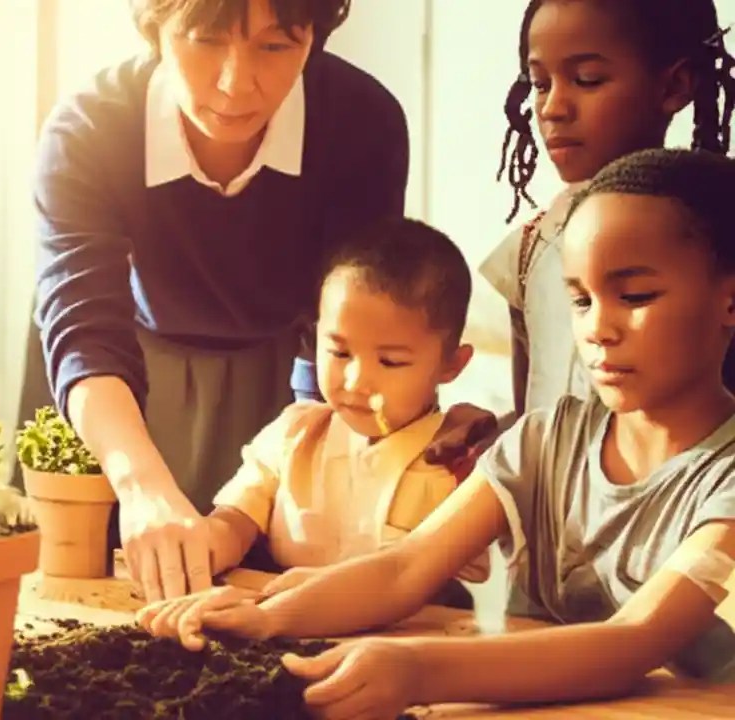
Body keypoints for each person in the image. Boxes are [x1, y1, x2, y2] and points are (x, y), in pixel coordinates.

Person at [139, 148, 735, 717]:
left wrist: (419, 669)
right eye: (579, 300)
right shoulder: (547, 441)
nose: (598, 328)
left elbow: (635, 639)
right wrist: (268, 615)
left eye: (635, 296)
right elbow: (407, 567)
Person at [26, 0, 494, 602]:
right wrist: (142, 485)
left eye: (275, 46)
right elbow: (86, 331)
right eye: (204, 39)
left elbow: (350, 314)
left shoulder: (361, 120)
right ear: (155, 24)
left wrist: (327, 453)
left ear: (315, 35)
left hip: (295, 372)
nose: (235, 83)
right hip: (124, 385)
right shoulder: (89, 129)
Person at [204, 218, 489, 606]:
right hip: (275, 619)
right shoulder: (295, 433)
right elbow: (233, 522)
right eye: (339, 352)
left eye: (390, 361)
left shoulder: (460, 460)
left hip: (410, 634)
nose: (356, 381)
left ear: (451, 364)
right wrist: (202, 545)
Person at [479, 0, 735, 422]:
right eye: (540, 84)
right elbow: (536, 420)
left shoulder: (715, 239)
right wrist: (492, 433)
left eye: (587, 79)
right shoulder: (530, 247)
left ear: (674, 86)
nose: (552, 108)